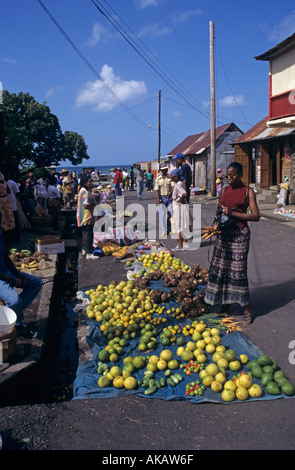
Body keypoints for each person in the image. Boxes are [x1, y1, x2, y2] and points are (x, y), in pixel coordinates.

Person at [204, 162, 260, 325]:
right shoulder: (224, 190)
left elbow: (255, 215)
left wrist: (234, 213)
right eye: (227, 176)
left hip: (239, 235)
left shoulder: (248, 191)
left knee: (238, 272)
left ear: (241, 174)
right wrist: (215, 226)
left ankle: (247, 309)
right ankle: (226, 304)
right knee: (222, 269)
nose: (229, 178)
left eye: (233, 175)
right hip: (223, 234)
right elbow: (218, 211)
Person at [0, 214, 43, 336]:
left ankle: (11, 313)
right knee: (14, 301)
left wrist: (16, 273)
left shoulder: (0, 235)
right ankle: (18, 325)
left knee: (36, 283)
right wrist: (12, 280)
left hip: (6, 273)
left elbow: (5, 258)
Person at [76, 175, 97, 260]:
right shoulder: (86, 193)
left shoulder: (82, 190)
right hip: (87, 216)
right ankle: (88, 252)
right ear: (85, 183)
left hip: (81, 215)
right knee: (88, 233)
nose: (91, 183)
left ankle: (84, 249)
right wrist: (95, 205)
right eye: (90, 182)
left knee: (84, 233)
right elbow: (86, 205)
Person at [170, 168, 189, 251]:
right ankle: (184, 244)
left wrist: (180, 198)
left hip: (178, 206)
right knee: (184, 225)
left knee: (179, 226)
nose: (171, 177)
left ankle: (180, 245)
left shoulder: (178, 184)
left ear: (176, 177)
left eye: (172, 176)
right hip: (181, 205)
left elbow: (185, 194)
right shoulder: (181, 183)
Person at [155, 163, 173, 237]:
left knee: (171, 214)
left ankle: (170, 229)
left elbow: (173, 187)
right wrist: (158, 199)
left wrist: (170, 193)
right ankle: (164, 230)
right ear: (161, 170)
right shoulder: (158, 178)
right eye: (163, 170)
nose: (164, 171)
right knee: (162, 215)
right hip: (162, 197)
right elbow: (157, 190)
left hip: (170, 198)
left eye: (165, 169)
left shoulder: (170, 177)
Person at [0, 172, 15, 246]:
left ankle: (4, 242)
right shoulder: (4, 183)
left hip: (1, 202)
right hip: (6, 201)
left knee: (2, 220)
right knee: (8, 218)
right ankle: (8, 239)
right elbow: (8, 191)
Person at [6, 172, 21, 243]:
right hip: (4, 208)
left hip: (12, 206)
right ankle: (9, 238)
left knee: (15, 223)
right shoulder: (2, 184)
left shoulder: (12, 183)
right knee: (7, 224)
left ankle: (16, 238)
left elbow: (17, 193)